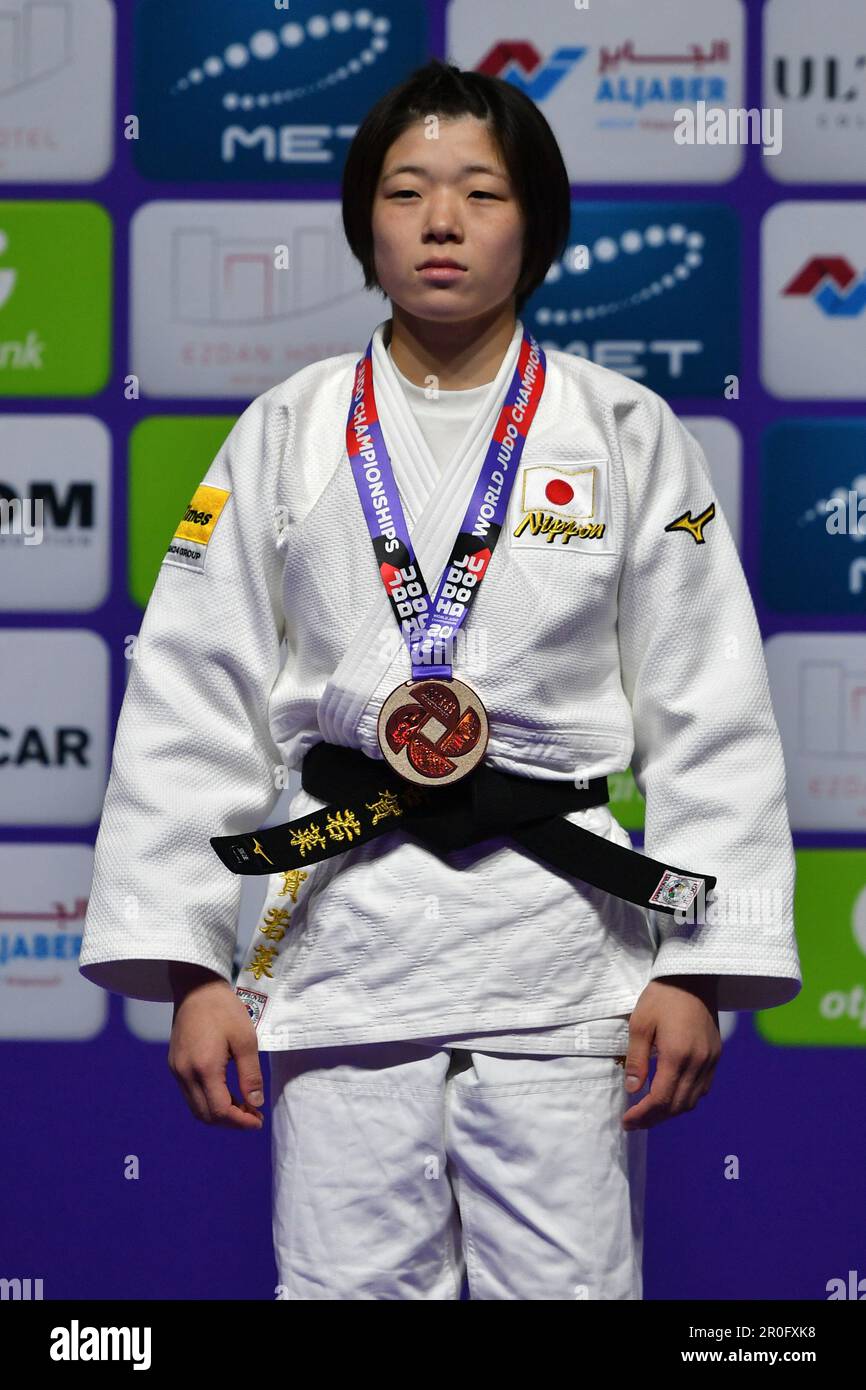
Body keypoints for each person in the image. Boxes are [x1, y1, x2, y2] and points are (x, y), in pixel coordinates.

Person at [79, 60, 801, 1300]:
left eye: (479, 190)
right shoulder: (287, 432)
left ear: (538, 223)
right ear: (366, 218)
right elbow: (192, 706)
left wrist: (695, 965)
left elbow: (708, 708)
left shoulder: (623, 433)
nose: (442, 221)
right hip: (342, 949)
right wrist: (192, 967)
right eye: (407, 191)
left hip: (563, 954)